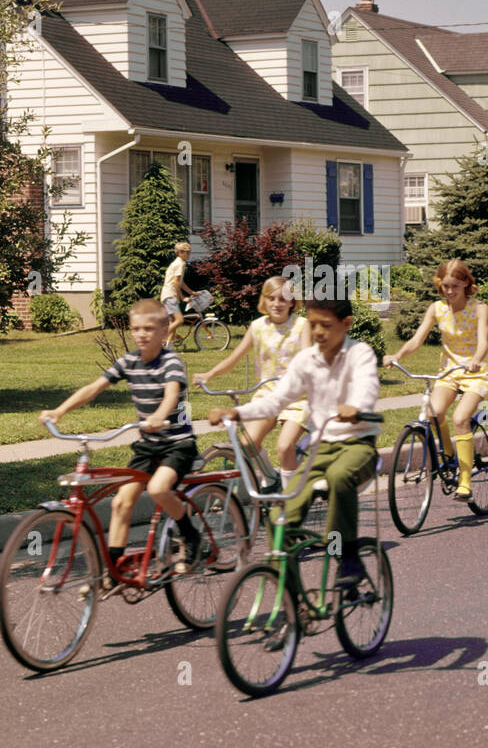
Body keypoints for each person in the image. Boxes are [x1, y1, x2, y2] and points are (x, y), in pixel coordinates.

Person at [208, 297, 379, 590]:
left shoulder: (359, 353)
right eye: (313, 325)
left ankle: (346, 556)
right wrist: (237, 412)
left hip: (357, 445)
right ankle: (292, 595)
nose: (318, 332)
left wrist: (354, 405)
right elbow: (277, 399)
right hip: (322, 448)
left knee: (339, 478)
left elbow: (367, 386)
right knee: (278, 517)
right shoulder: (306, 360)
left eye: (326, 325)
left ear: (346, 324)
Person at [39, 298, 202, 583]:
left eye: (149, 329)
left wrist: (160, 416)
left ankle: (191, 536)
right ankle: (114, 570)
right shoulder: (128, 361)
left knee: (158, 489)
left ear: (164, 330)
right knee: (121, 502)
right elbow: (95, 388)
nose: (142, 334)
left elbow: (172, 395)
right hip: (148, 445)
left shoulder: (171, 362)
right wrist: (60, 410)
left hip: (177, 444)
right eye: (136, 328)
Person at [384, 258, 488, 500]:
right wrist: (397, 355)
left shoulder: (479, 308)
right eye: (445, 285)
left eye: (455, 285)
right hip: (449, 371)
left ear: (466, 283)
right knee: (433, 413)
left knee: (460, 418)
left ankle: (465, 481)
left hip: (477, 371)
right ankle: (448, 454)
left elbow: (483, 342)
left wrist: (476, 359)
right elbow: (417, 340)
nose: (450, 291)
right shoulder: (437, 308)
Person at [194, 276, 311, 487]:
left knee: (284, 447)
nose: (277, 304)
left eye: (283, 299)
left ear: (292, 302)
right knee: (248, 443)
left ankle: (292, 500)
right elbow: (234, 358)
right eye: (271, 298)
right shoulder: (257, 327)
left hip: (297, 397)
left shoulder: (302, 325)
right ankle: (270, 478)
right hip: (267, 396)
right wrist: (208, 375)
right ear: (264, 300)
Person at [159, 240, 193, 344]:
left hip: (167, 294)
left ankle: (168, 346)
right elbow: (176, 283)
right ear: (179, 252)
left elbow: (181, 283)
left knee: (172, 322)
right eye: (186, 252)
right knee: (179, 320)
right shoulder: (180, 264)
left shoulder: (178, 263)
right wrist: (182, 297)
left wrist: (192, 292)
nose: (188, 254)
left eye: (189, 252)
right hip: (170, 295)